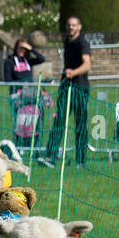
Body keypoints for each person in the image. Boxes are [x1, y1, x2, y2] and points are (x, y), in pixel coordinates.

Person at [39, 16, 91, 169]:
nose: (71, 28)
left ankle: (81, 160)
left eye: (74, 25)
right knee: (59, 121)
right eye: (69, 25)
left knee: (81, 124)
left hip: (80, 88)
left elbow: (87, 64)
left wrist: (73, 72)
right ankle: (51, 156)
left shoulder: (82, 42)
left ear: (79, 27)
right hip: (66, 86)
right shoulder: (67, 41)